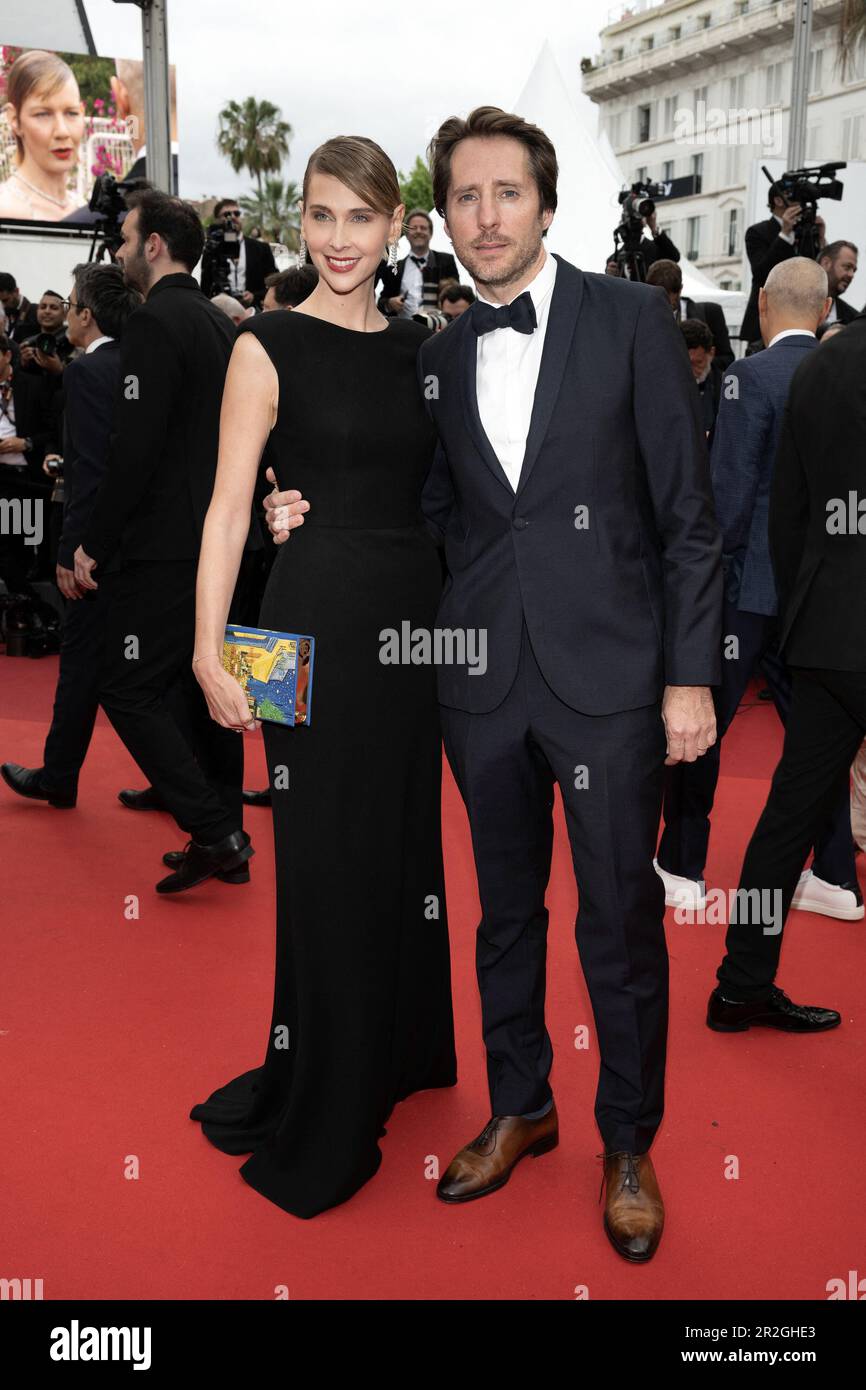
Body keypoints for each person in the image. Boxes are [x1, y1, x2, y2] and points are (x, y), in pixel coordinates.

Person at [266, 105, 722, 1261]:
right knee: (500, 916)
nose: (485, 217)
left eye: (504, 193)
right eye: (464, 198)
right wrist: (302, 519)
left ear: (545, 202)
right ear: (445, 219)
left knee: (616, 924)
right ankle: (520, 1102)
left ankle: (627, 1138)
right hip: (475, 684)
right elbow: (421, 515)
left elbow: (688, 521)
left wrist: (687, 681)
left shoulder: (631, 320)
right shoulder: (435, 357)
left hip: (612, 685)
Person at [188, 136, 457, 1219]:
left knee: (399, 846)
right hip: (305, 626)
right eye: (318, 214)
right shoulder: (263, 345)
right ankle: (328, 1093)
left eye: (358, 216)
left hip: (413, 629)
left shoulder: (423, 348)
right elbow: (222, 505)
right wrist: (209, 646)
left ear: (396, 225)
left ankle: (395, 1051)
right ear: (297, 222)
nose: (337, 238)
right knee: (326, 858)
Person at [657, 257, 862, 932]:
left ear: (764, 308)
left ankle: (682, 867)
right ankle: (835, 873)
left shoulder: (752, 376)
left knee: (703, 729)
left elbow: (730, 499)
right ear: (827, 308)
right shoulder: (846, 375)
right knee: (821, 742)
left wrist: (697, 584)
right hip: (821, 599)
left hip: (748, 590)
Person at [72, 190, 261, 894]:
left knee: (125, 685)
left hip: (168, 545)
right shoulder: (219, 324)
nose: (119, 251)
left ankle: (215, 829)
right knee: (202, 680)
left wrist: (95, 540)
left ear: (154, 245)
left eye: (125, 238)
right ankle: (220, 837)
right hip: (218, 537)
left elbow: (136, 448)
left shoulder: (155, 324)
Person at [708, 306, 866, 1029]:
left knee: (789, 814)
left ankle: (740, 983)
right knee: (793, 810)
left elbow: (790, 512)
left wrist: (813, 593)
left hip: (825, 628)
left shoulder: (822, 365)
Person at [1, 263, 141, 809]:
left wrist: (70, 551)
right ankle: (185, 785)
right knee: (144, 667)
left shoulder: (86, 372)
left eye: (72, 304)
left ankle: (62, 775)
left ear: (85, 315)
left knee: (85, 663)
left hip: (97, 548)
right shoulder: (140, 364)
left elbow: (89, 471)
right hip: (145, 545)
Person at [0, 51, 85, 222]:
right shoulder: (6, 207)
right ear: (15, 119)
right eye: (43, 114)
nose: (62, 131)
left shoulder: (84, 208)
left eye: (71, 113)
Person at [740, 180, 826, 345]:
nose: (800, 201)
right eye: (795, 196)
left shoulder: (806, 231)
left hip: (803, 318)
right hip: (767, 319)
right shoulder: (757, 232)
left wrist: (821, 241)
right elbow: (761, 272)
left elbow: (818, 273)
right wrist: (785, 234)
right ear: (778, 201)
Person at [645, 258, 734, 370]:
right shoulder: (640, 320)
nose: (663, 306)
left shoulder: (711, 313)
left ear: (680, 290)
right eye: (658, 300)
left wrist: (700, 363)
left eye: (668, 301)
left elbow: (727, 360)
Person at [377, 207, 458, 318]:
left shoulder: (446, 261)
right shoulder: (392, 269)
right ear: (406, 234)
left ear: (430, 233)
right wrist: (390, 303)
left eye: (423, 228)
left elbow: (458, 295)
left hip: (439, 329)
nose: (418, 231)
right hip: (405, 331)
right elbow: (381, 303)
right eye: (414, 228)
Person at [200, 199, 277, 307]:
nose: (233, 217)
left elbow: (274, 283)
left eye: (236, 213)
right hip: (220, 312)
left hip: (253, 312)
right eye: (227, 214)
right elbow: (205, 286)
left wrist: (254, 296)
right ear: (217, 220)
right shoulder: (212, 249)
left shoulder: (261, 248)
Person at [816, 239, 860, 326]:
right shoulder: (792, 303)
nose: (851, 275)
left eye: (854, 270)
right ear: (826, 263)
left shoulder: (854, 320)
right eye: (847, 267)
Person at [0, 273, 40, 342]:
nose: (2, 305)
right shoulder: (4, 314)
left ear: (16, 291)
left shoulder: (36, 312)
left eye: (5, 300)